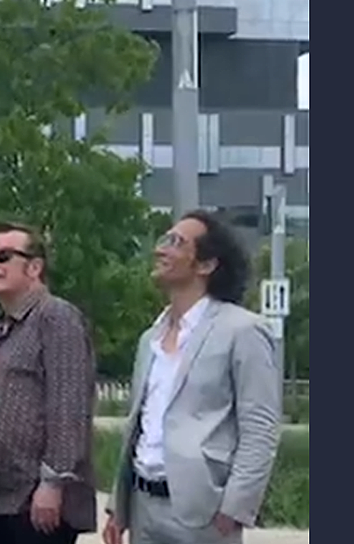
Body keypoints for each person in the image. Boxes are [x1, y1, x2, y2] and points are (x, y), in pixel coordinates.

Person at [102, 211, 281, 544]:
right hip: (143, 508)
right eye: (163, 239)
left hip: (205, 513)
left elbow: (260, 429)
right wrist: (119, 505)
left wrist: (235, 507)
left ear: (206, 264)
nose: (161, 250)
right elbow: (139, 424)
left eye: (176, 242)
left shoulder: (243, 331)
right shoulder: (149, 338)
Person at [0, 221, 97, 544]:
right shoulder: (6, 328)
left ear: (35, 267)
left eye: (4, 256)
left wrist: (53, 483)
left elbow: (69, 406)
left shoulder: (56, 317)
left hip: (36, 503)